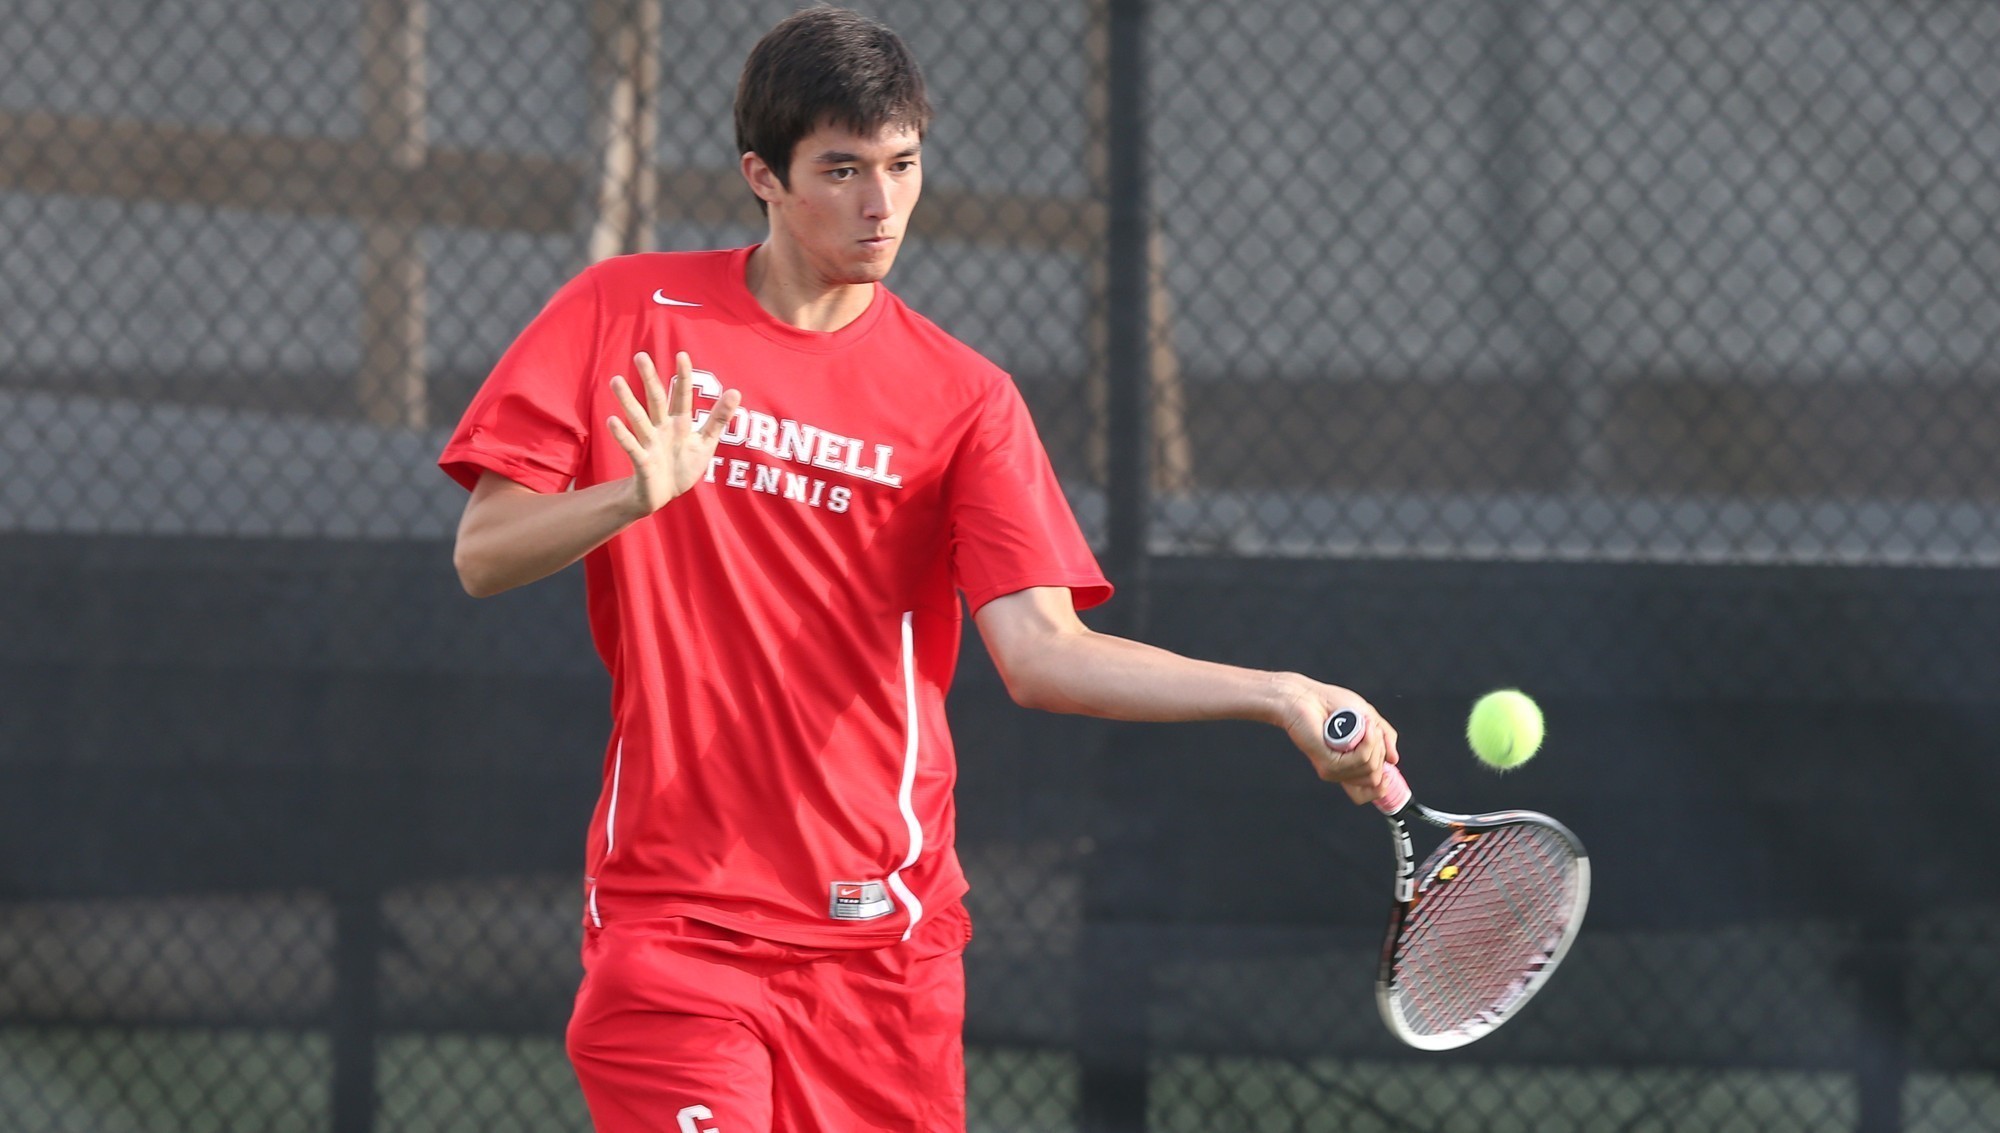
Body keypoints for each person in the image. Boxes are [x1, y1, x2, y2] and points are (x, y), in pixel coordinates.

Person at [440, 8, 1397, 1132]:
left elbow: (1043, 654)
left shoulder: (964, 397)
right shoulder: (623, 313)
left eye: (900, 165)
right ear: (764, 175)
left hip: (885, 947)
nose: (879, 202)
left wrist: (1277, 692)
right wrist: (631, 498)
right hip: (678, 932)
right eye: (840, 170)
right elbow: (483, 554)